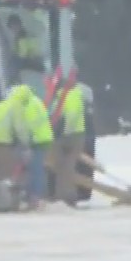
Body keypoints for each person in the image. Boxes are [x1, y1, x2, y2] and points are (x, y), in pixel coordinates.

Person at [0, 78, 53, 207]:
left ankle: (2, 201)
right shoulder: (23, 103)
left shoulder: (1, 104)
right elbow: (20, 127)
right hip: (25, 140)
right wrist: (25, 144)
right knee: (19, 172)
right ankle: (17, 201)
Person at [47, 68, 91, 205]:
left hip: (69, 136)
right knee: (66, 167)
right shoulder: (75, 95)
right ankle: (66, 196)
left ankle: (65, 197)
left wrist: (60, 132)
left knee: (63, 167)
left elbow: (64, 116)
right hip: (76, 136)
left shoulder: (65, 97)